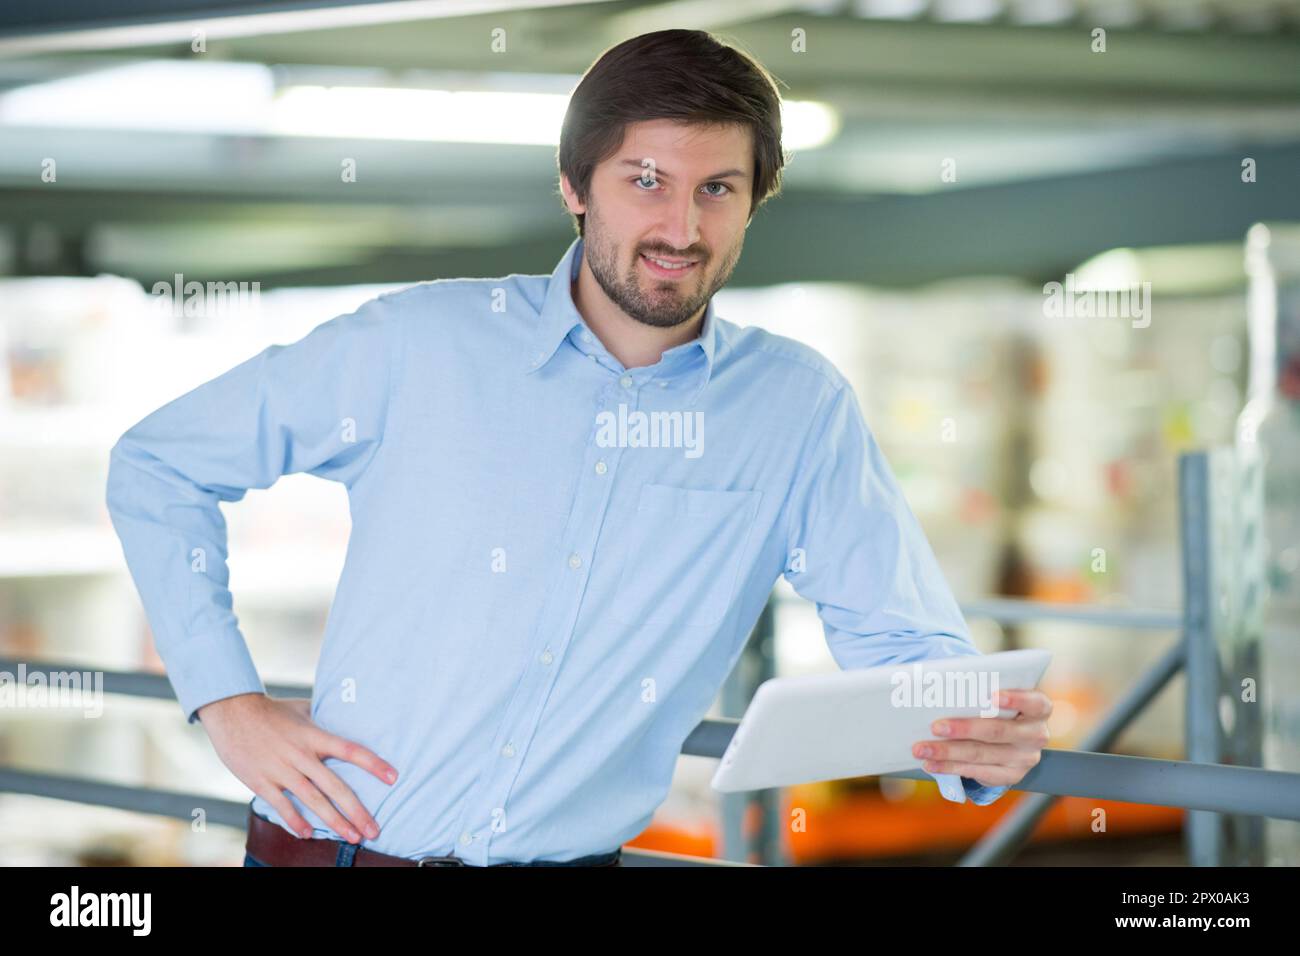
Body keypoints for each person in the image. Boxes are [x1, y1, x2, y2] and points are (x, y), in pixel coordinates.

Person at [106, 28, 1050, 868]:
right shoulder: (418, 344)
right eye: (646, 181)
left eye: (716, 189)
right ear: (573, 185)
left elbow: (899, 633)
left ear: (754, 200)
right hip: (331, 858)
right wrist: (226, 705)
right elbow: (159, 463)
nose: (680, 229)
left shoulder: (797, 410)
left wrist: (971, 731)